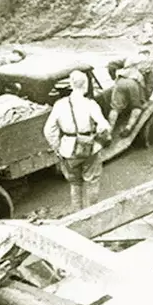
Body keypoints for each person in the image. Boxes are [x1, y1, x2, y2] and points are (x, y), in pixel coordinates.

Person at [43, 70, 112, 212]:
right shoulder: (90, 104)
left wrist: (57, 147)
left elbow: (48, 130)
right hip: (89, 149)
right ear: (85, 84)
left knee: (75, 184)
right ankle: (92, 213)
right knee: (92, 182)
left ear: (71, 84)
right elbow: (104, 126)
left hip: (68, 150)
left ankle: (77, 214)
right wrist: (99, 131)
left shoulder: (59, 105)